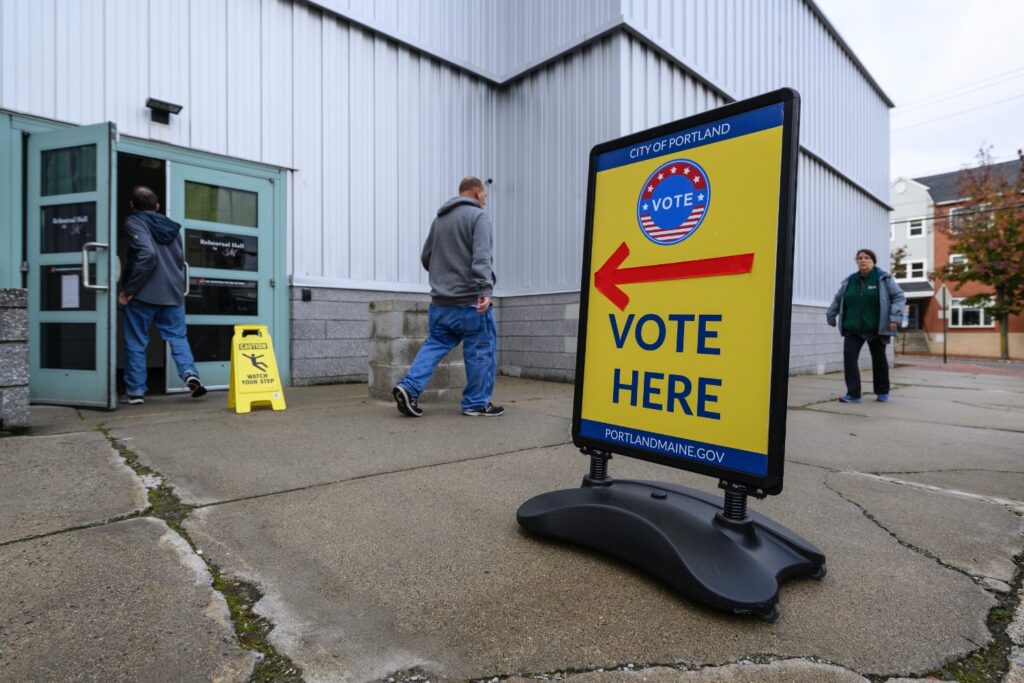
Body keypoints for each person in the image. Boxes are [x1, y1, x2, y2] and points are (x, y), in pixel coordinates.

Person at [392, 177, 502, 417]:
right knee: (481, 351)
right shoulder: (478, 217)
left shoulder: (439, 220)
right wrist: (485, 289)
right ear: (475, 192)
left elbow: (426, 256)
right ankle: (476, 403)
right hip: (471, 301)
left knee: (435, 344)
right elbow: (482, 256)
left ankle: (409, 387)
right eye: (484, 195)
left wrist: (444, 276)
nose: (485, 200)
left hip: (441, 303)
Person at [118, 186, 206, 404]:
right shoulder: (172, 226)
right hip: (173, 292)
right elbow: (178, 261)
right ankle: (189, 373)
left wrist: (129, 289)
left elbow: (147, 254)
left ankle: (136, 391)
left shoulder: (134, 222)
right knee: (177, 337)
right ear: (157, 206)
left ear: (131, 206)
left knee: (136, 341)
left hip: (143, 294)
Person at [826, 248, 905, 403]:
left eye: (867, 257)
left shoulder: (883, 278)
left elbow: (898, 297)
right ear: (857, 261)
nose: (863, 260)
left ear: (873, 261)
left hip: (876, 328)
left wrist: (894, 317)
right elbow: (838, 298)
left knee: (879, 359)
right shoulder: (850, 280)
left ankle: (882, 392)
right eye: (860, 258)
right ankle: (853, 394)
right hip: (853, 328)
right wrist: (831, 314)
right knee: (849, 358)